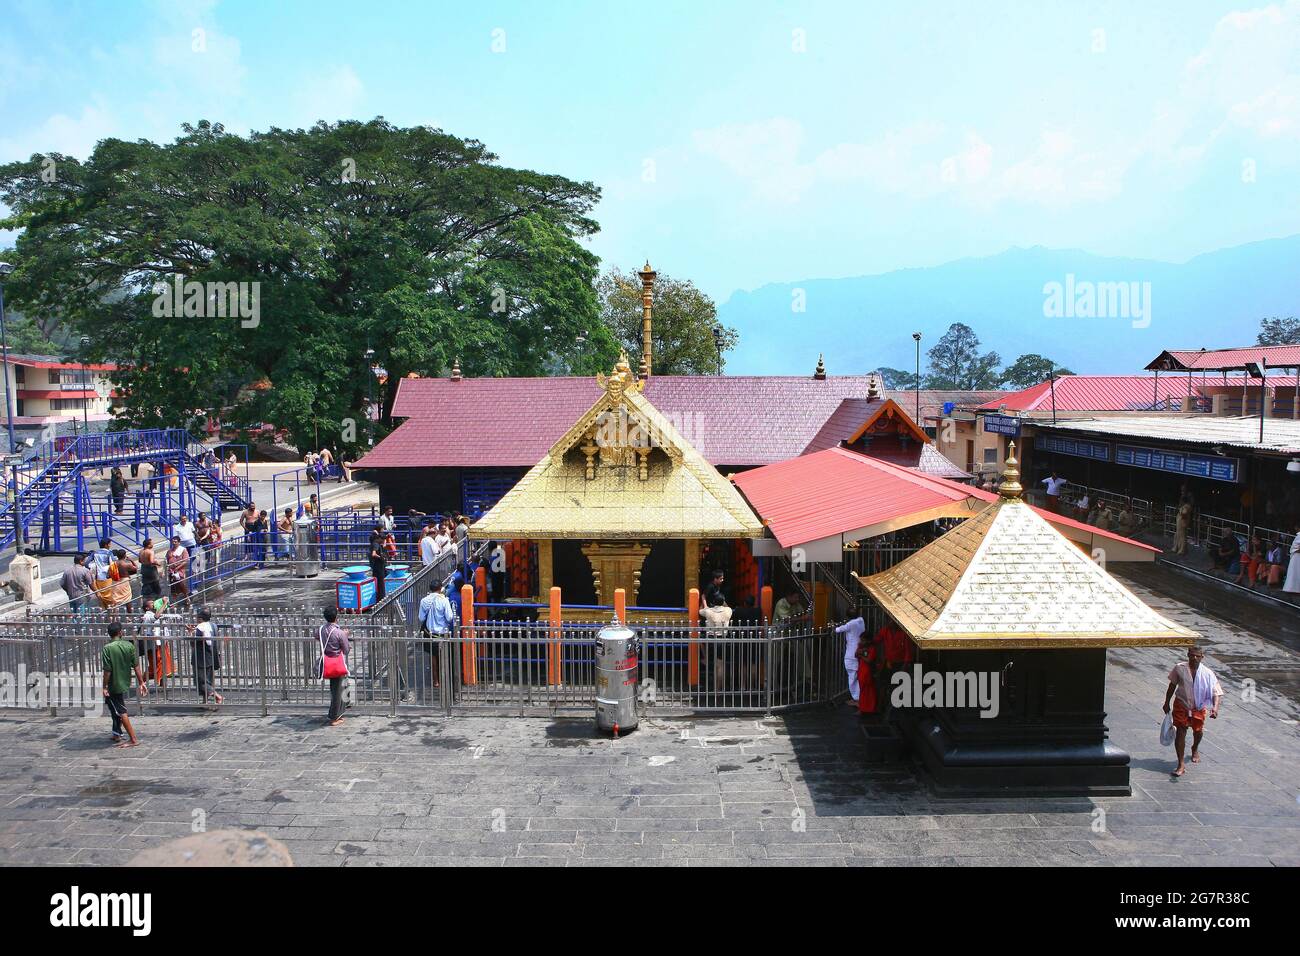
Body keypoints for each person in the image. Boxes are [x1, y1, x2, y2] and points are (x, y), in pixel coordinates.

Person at [1163, 646, 1222, 777]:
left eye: (1197, 656)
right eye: (1192, 655)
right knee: (1181, 731)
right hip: (1181, 704)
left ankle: (1195, 747)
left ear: (1202, 657)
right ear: (1188, 655)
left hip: (1198, 707)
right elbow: (1172, 685)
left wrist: (1215, 708)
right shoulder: (1179, 668)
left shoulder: (1207, 673)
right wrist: (1166, 702)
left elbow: (1216, 692)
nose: (1194, 658)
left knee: (1198, 731)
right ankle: (1181, 764)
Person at [101, 622, 147, 747]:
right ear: (120, 633)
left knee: (121, 711)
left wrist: (104, 687)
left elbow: (107, 671)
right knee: (114, 707)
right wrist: (141, 682)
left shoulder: (107, 648)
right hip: (124, 681)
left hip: (113, 684)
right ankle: (116, 733)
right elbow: (136, 665)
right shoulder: (129, 646)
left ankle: (133, 739)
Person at [415, 581, 455, 697]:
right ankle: (445, 678)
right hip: (442, 633)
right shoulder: (444, 600)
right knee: (444, 656)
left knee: (433, 656)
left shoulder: (424, 600)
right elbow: (449, 617)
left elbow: (421, 617)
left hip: (430, 632)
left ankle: (435, 680)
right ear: (441, 588)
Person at [319, 607, 351, 726]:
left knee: (340, 685)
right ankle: (334, 717)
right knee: (337, 689)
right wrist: (345, 635)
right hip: (336, 663)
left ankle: (345, 705)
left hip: (327, 662)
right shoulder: (339, 633)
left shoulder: (321, 629)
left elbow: (316, 635)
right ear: (336, 617)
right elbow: (346, 650)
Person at [188, 608, 223, 706]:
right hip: (211, 656)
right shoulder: (214, 625)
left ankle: (217, 696)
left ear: (200, 618)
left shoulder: (200, 627)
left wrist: (190, 632)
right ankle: (205, 701)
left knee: (200, 681)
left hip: (200, 658)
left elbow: (193, 644)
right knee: (208, 679)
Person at [835, 616, 866, 706]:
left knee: (852, 677)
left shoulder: (851, 624)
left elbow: (838, 630)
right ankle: (859, 698)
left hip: (851, 654)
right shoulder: (861, 620)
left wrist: (834, 627)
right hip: (858, 652)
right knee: (857, 676)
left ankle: (856, 699)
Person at [166, 535, 190, 607]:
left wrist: (177, 568)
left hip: (180, 571)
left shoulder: (183, 550)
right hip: (171, 571)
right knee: (173, 586)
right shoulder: (169, 551)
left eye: (175, 542)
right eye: (173, 541)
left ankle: (187, 598)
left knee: (182, 585)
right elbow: (167, 561)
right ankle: (174, 601)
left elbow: (185, 561)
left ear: (179, 542)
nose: (174, 543)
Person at [138, 538, 162, 604]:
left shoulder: (141, 551)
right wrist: (157, 563)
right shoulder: (150, 551)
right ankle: (157, 602)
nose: (153, 544)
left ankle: (145, 601)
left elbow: (139, 560)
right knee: (156, 585)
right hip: (151, 570)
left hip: (143, 568)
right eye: (151, 543)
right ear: (148, 545)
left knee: (146, 584)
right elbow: (151, 561)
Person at [369, 526, 388, 600]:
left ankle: (380, 596)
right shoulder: (376, 544)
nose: (383, 542)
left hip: (378, 565)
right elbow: (373, 554)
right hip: (378, 566)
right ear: (379, 539)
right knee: (380, 582)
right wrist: (380, 557)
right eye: (382, 540)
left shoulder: (376, 543)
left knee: (379, 581)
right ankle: (381, 597)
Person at [1285, 522, 1300, 594]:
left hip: (1297, 556)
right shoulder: (1298, 535)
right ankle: (1291, 588)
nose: (1295, 528)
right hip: (1295, 556)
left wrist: (1296, 550)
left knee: (1295, 572)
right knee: (1293, 572)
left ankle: (1293, 589)